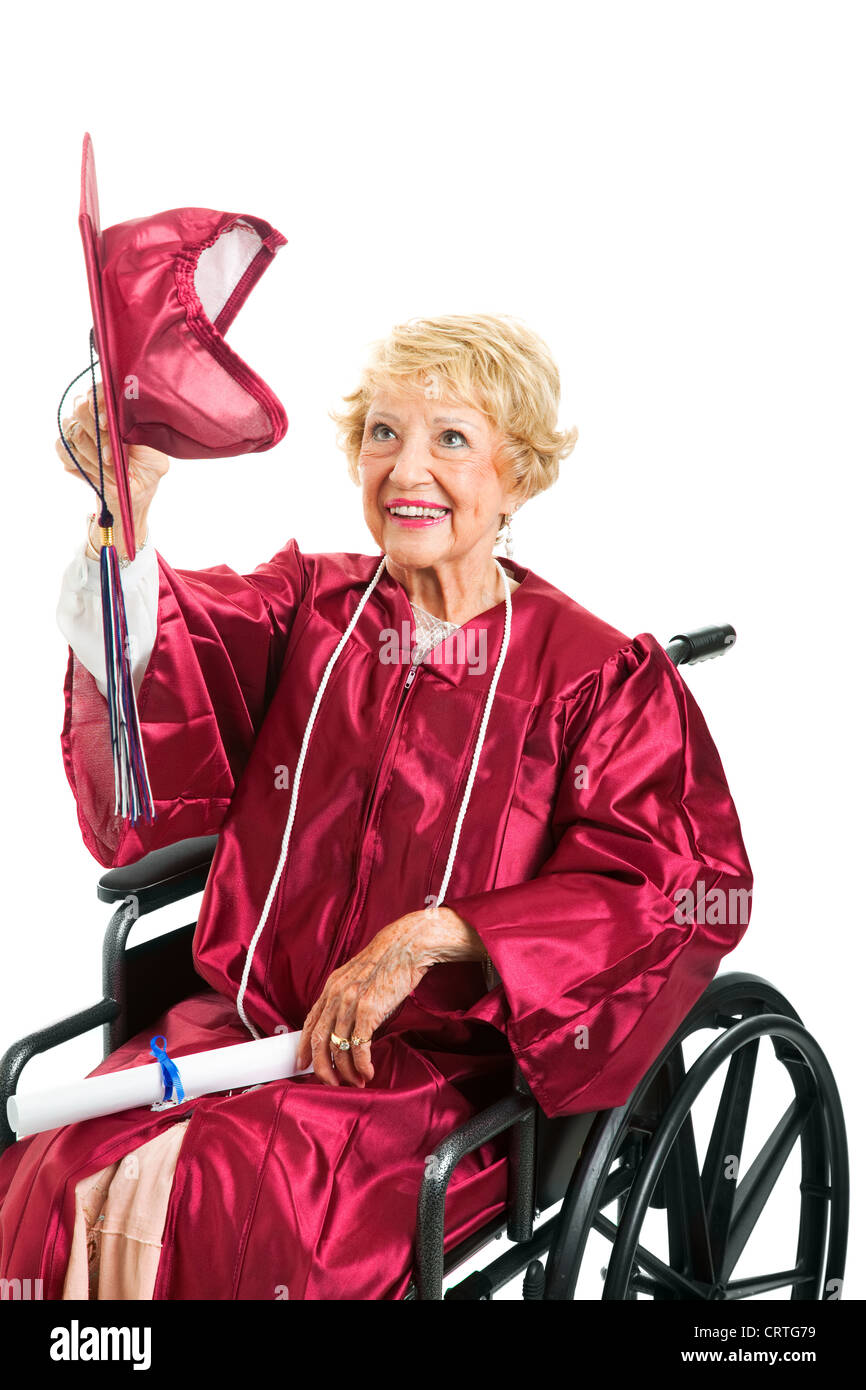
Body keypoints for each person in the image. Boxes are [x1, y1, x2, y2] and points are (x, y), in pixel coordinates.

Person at [0, 314, 753, 1300]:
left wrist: (438, 936)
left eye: (450, 438)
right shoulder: (309, 606)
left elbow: (675, 884)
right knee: (55, 1161)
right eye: (382, 433)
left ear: (516, 473)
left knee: (226, 1194)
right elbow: (153, 652)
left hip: (432, 1084)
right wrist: (126, 502)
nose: (406, 468)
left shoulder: (596, 676)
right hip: (241, 1029)